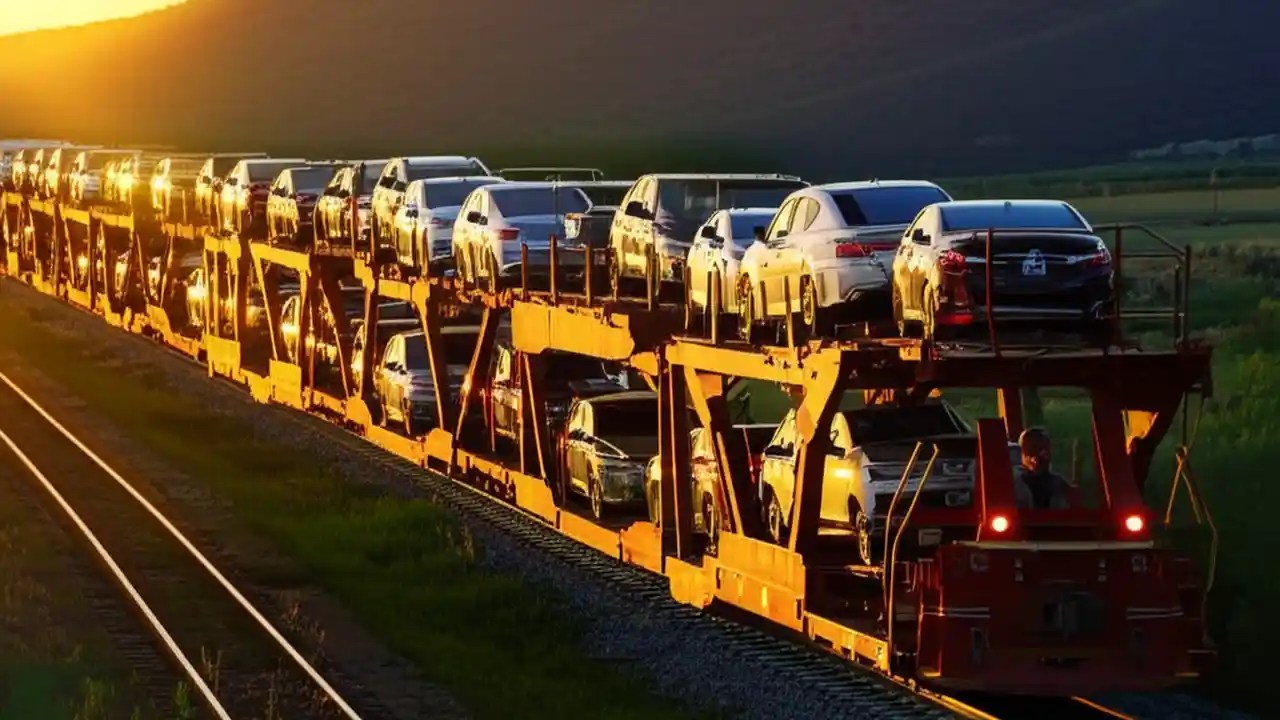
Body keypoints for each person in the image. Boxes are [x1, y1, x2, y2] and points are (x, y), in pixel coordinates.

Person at [1014, 427, 1075, 509]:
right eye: (1034, 449)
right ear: (1023, 453)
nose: (1043, 454)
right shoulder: (1015, 482)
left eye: (1046, 449)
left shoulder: (1059, 484)